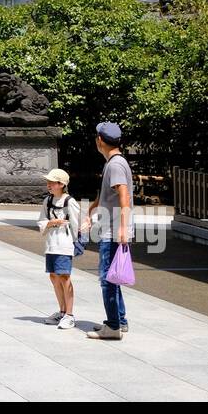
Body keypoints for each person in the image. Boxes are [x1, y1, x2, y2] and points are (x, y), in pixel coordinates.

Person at [86, 121, 133, 340]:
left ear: (100, 140)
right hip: (114, 228)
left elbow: (124, 196)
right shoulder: (115, 162)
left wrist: (122, 228)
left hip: (113, 230)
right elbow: (112, 192)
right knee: (113, 276)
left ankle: (113, 326)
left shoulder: (114, 164)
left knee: (107, 278)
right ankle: (120, 321)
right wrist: (96, 204)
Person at [39, 169, 81, 330]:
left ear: (61, 184)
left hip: (65, 244)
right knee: (53, 276)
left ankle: (69, 315)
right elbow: (42, 220)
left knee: (64, 277)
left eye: (52, 182)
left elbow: (76, 224)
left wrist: (76, 243)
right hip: (51, 244)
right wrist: (51, 223)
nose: (49, 184)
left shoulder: (70, 201)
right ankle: (62, 311)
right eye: (48, 182)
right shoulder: (47, 201)